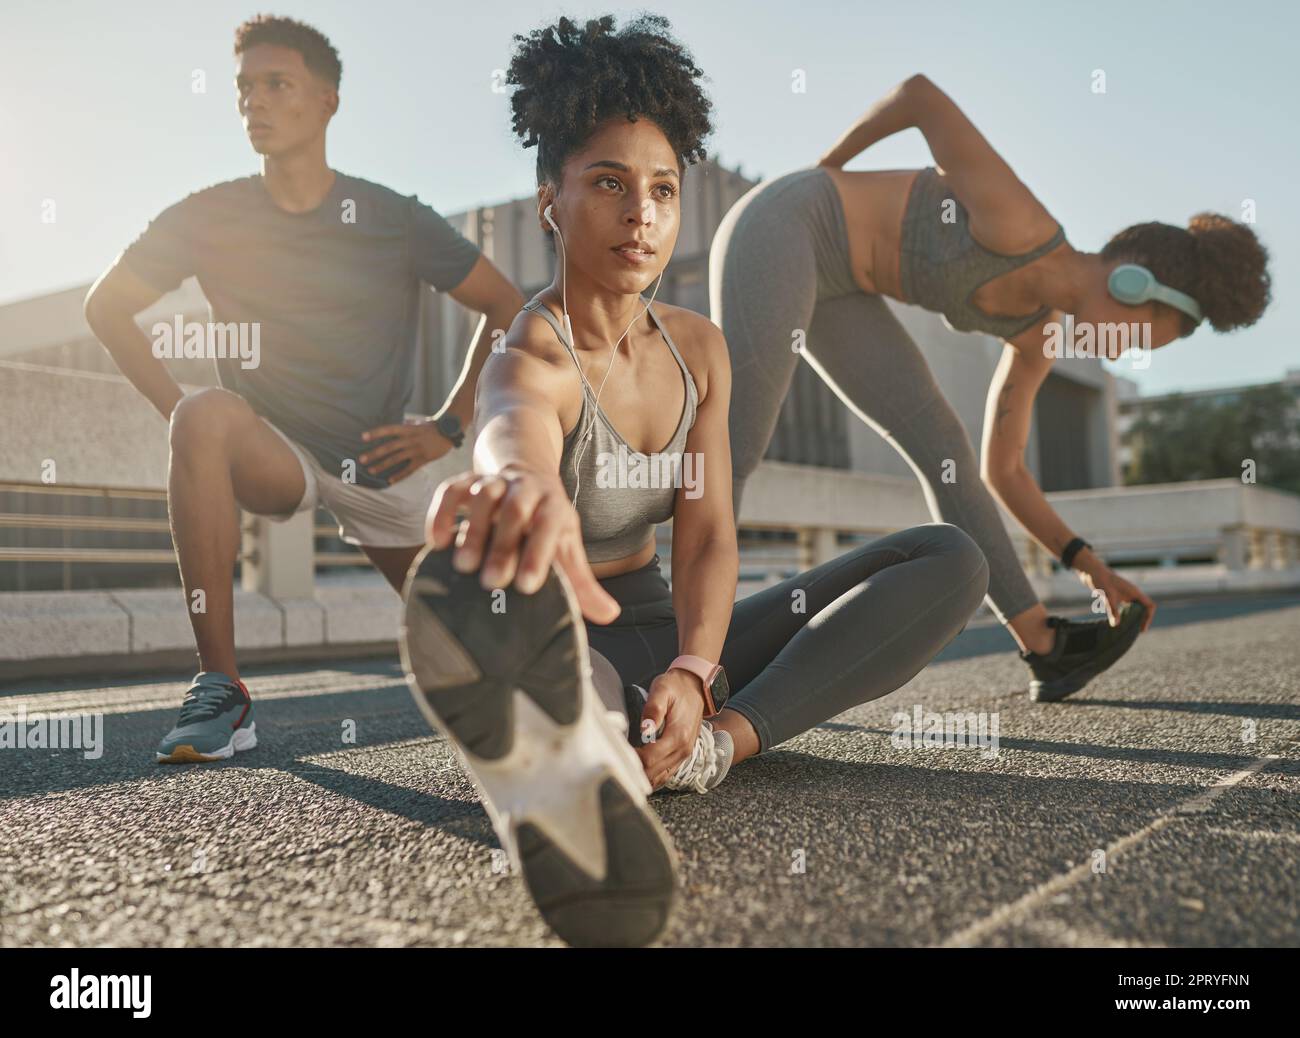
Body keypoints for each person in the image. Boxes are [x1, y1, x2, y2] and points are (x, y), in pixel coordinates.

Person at [398, 14, 989, 949]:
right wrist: (518, 481)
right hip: (570, 641)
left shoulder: (699, 349)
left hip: (667, 632)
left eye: (662, 189)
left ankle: (709, 748)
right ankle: (576, 768)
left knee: (949, 557)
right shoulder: (534, 351)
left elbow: (709, 533)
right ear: (550, 202)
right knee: (563, 678)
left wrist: (694, 672)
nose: (641, 213)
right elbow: (511, 422)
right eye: (608, 183)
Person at [710, 73, 1272, 702]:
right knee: (737, 440)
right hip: (788, 221)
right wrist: (827, 168)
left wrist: (1088, 564)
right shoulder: (1017, 222)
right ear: (1132, 283)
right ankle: (688, 648)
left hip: (843, 290)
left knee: (945, 450)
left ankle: (1044, 645)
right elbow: (919, 96)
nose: (1122, 352)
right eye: (1137, 335)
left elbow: (1004, 472)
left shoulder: (1039, 335)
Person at [82, 15, 524, 763]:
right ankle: (221, 689)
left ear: (327, 101)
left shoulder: (392, 217)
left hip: (380, 457)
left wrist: (449, 425)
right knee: (203, 413)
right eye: (244, 88)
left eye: (276, 84)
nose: (254, 101)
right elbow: (106, 307)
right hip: (274, 449)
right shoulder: (209, 214)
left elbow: (508, 306)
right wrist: (184, 422)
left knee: (487, 664)